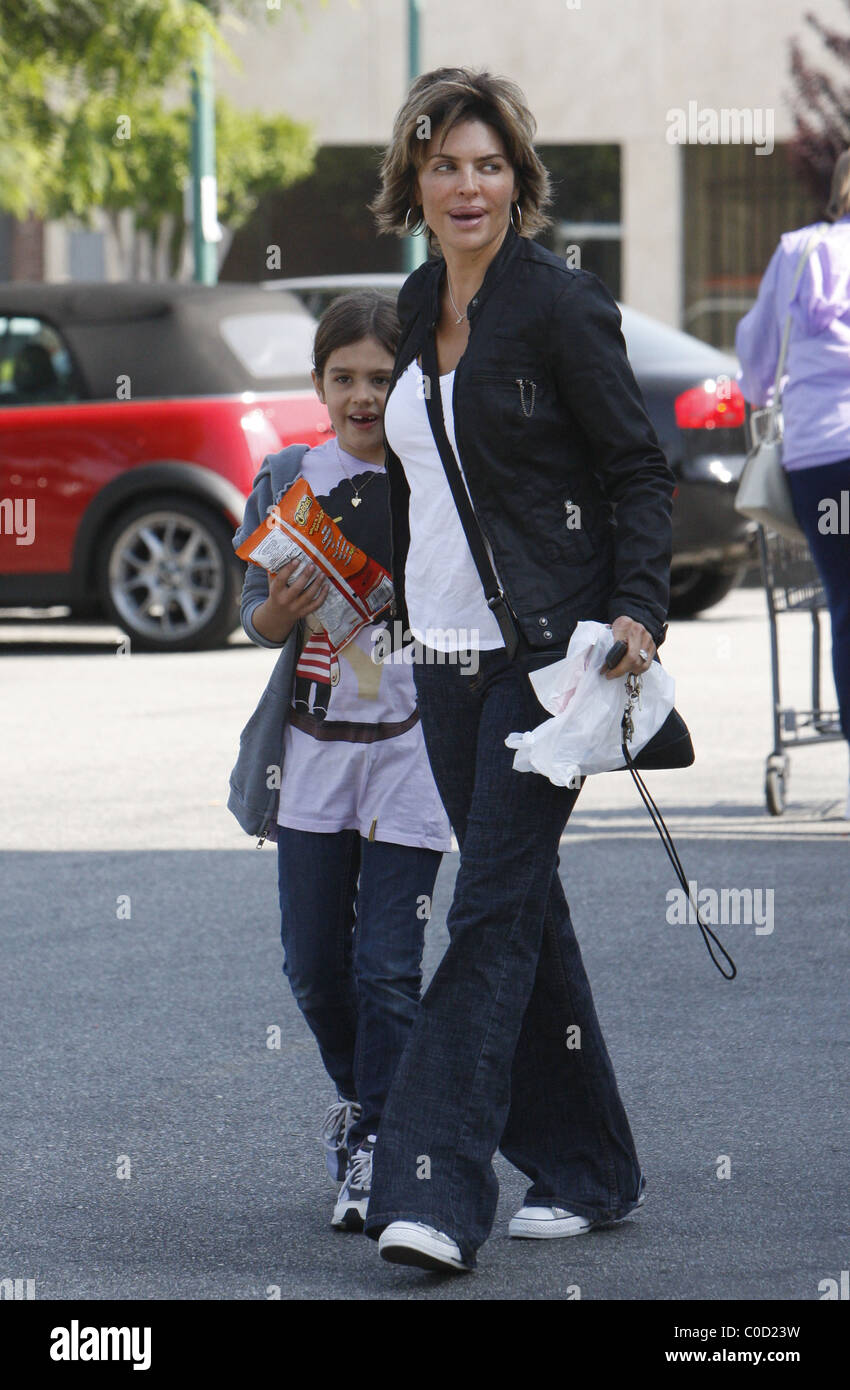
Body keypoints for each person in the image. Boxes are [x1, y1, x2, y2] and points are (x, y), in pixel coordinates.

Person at [361, 67, 676, 1273]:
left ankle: (432, 1191)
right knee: (521, 909)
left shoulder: (558, 304)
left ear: (518, 181)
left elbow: (636, 469)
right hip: (439, 652)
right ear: (416, 179)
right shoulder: (412, 300)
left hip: (549, 656)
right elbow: (418, 481)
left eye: (488, 164)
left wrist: (637, 609)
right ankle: (594, 1167)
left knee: (485, 910)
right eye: (445, 163)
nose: (467, 184)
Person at [229, 293, 452, 1230]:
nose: (362, 397)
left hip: (412, 754)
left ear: (407, 381)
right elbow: (254, 619)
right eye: (343, 377)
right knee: (316, 965)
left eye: (380, 376)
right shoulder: (290, 474)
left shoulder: (435, 477)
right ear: (318, 384)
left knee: (386, 968)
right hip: (313, 755)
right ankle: (365, 1103)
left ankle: (384, 1145)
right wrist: (283, 601)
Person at [736, 149, 850, 815]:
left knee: (844, 601)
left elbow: (757, 352)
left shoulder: (801, 253)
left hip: (823, 454)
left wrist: (760, 392)